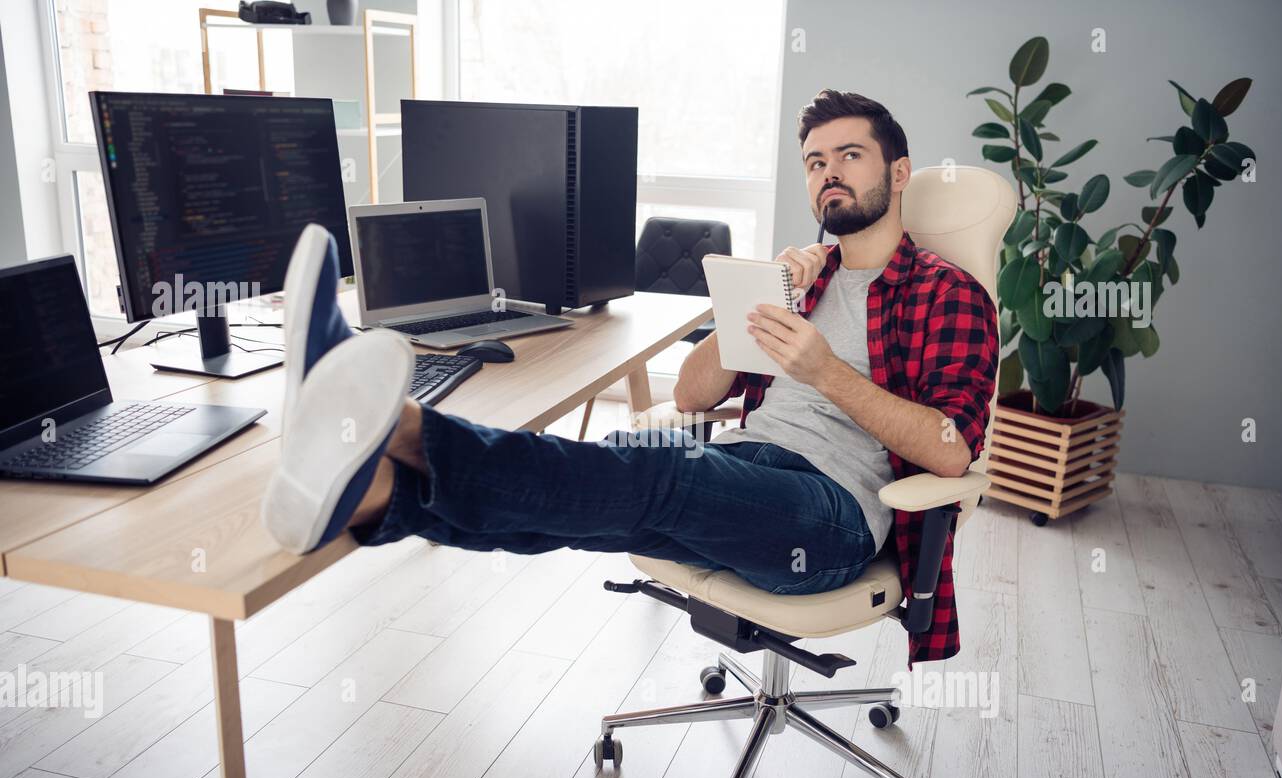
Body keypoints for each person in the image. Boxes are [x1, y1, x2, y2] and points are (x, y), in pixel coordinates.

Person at [261, 89, 998, 664]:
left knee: (647, 481)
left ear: (898, 172)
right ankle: (370, 497)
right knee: (607, 489)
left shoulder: (947, 292)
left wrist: (825, 371)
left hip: (832, 518)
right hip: (745, 465)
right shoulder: (802, 279)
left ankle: (396, 425)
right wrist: (757, 298)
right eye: (814, 161)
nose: (829, 172)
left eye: (850, 155)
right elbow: (692, 395)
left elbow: (950, 451)